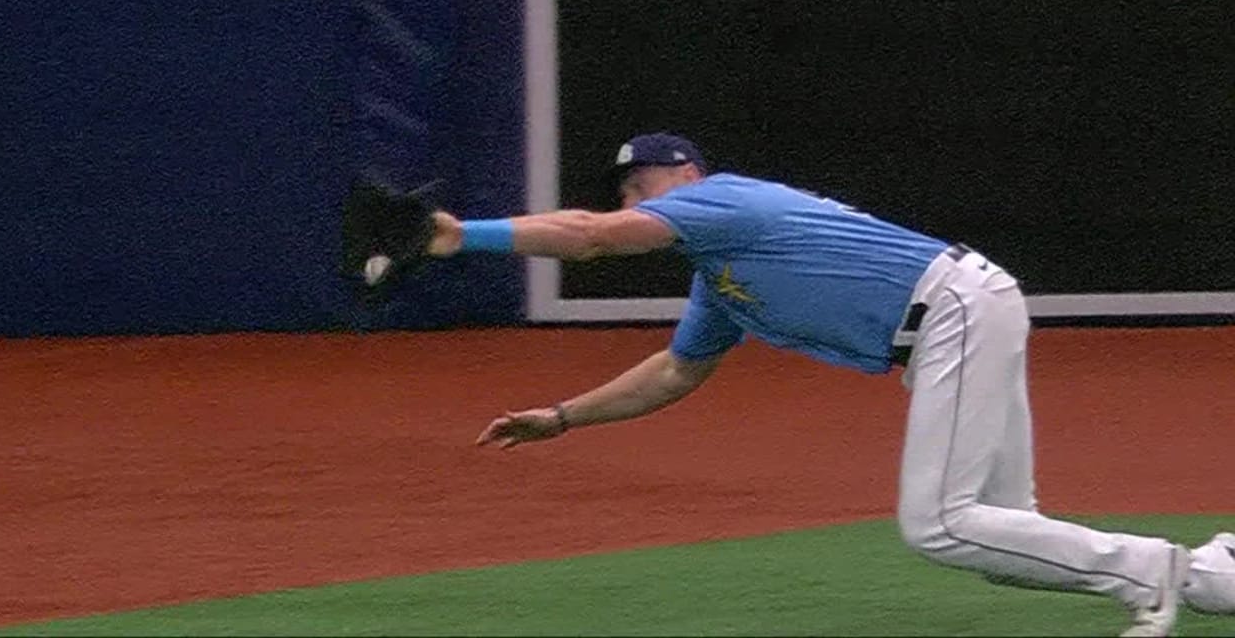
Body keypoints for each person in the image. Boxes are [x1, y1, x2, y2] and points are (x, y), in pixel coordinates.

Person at [424, 132, 1232, 637]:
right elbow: (674, 373)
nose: (635, 198)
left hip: (950, 307)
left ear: (691, 174)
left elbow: (593, 238)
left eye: (648, 183)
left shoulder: (723, 199)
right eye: (628, 188)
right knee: (999, 535)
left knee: (940, 526)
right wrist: (562, 418)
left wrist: (466, 236)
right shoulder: (720, 280)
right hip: (960, 311)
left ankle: (1149, 572)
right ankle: (1215, 575)